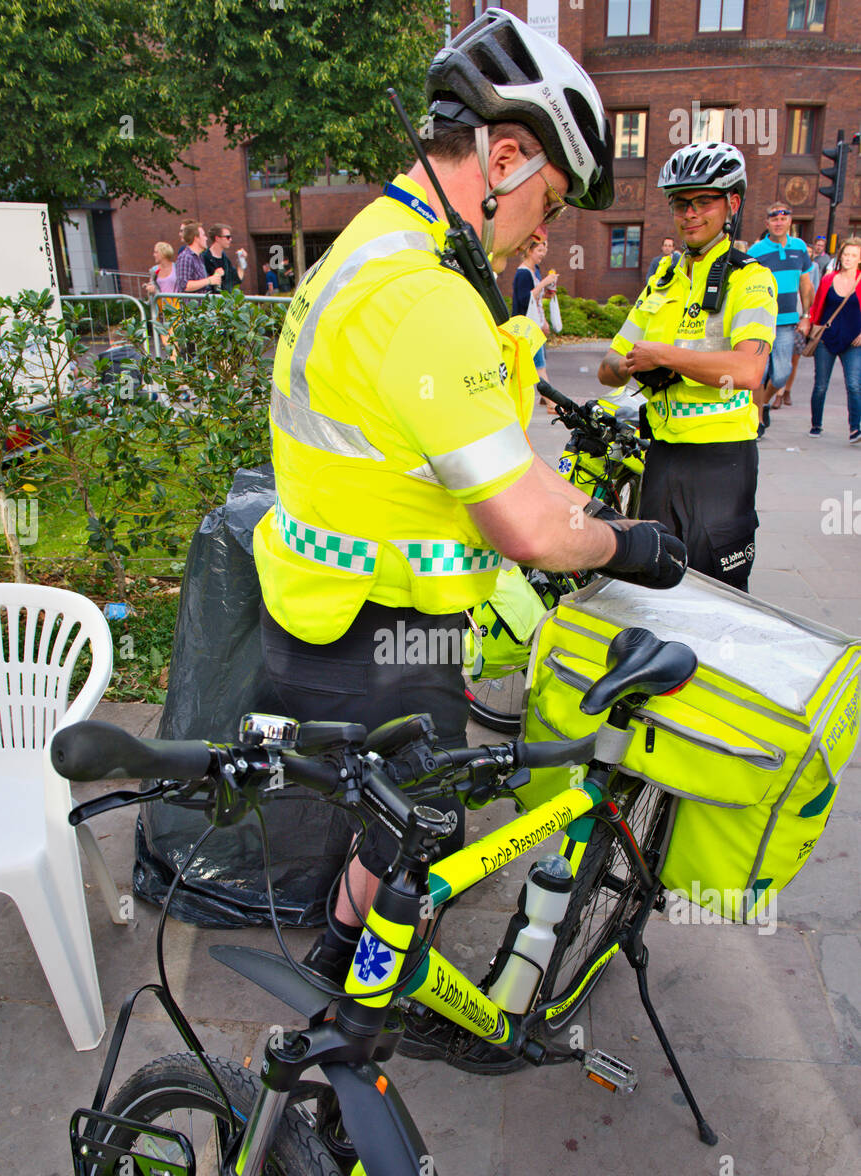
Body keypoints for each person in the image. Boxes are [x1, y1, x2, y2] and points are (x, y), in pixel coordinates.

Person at [255, 8, 686, 1072]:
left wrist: (502, 295)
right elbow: (531, 518)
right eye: (547, 197)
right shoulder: (423, 297)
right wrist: (625, 544)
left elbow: (472, 444)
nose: (545, 229)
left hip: (324, 615)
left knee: (379, 830)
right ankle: (338, 1053)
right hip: (382, 636)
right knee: (413, 832)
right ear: (504, 156)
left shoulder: (375, 250)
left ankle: (335, 971)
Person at [598, 140, 777, 593]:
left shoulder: (750, 279)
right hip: (661, 454)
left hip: (721, 460)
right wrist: (629, 364)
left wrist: (664, 356)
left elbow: (750, 370)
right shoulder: (661, 280)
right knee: (659, 579)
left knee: (720, 590)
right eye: (681, 204)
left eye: (703, 202)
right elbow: (608, 365)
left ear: (731, 204)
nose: (690, 214)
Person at [746, 206, 813, 437]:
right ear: (767, 223)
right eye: (774, 219)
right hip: (763, 320)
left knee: (782, 373)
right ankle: (758, 419)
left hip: (787, 321)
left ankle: (762, 403)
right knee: (759, 373)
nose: (778, 223)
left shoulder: (800, 248)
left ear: (790, 222)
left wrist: (806, 316)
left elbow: (806, 284)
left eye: (783, 219)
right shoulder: (757, 251)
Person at [806, 236, 861, 443]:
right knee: (820, 385)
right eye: (846, 254)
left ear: (859, 258)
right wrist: (813, 326)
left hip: (853, 342)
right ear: (840, 256)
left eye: (853, 255)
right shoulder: (829, 278)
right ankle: (816, 424)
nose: (848, 258)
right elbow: (817, 305)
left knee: (855, 384)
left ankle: (855, 428)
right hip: (826, 339)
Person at [512, 233, 559, 407]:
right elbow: (524, 300)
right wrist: (543, 283)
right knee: (539, 365)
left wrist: (544, 320)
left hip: (534, 324)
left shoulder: (535, 271)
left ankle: (545, 397)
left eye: (545, 250)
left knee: (531, 364)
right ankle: (551, 403)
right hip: (525, 326)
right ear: (529, 250)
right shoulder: (523, 273)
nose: (543, 253)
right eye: (540, 250)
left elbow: (536, 301)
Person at [144, 241, 177, 355]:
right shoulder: (154, 270)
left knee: (175, 341)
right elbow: (152, 284)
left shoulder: (176, 268)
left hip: (176, 307)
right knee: (167, 343)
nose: (154, 255)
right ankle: (176, 368)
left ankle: (177, 368)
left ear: (163, 253)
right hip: (161, 309)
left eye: (156, 252)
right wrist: (150, 289)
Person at [174, 222, 224, 294]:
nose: (206, 238)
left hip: (201, 304)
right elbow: (184, 285)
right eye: (203, 235)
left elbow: (200, 282)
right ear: (196, 238)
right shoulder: (185, 257)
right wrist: (209, 280)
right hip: (190, 304)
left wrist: (214, 276)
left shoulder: (199, 257)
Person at [203, 224, 246, 292]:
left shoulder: (225, 259)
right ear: (217, 238)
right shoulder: (205, 257)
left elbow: (237, 279)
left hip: (225, 300)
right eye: (227, 237)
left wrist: (241, 261)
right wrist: (215, 276)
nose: (230, 239)